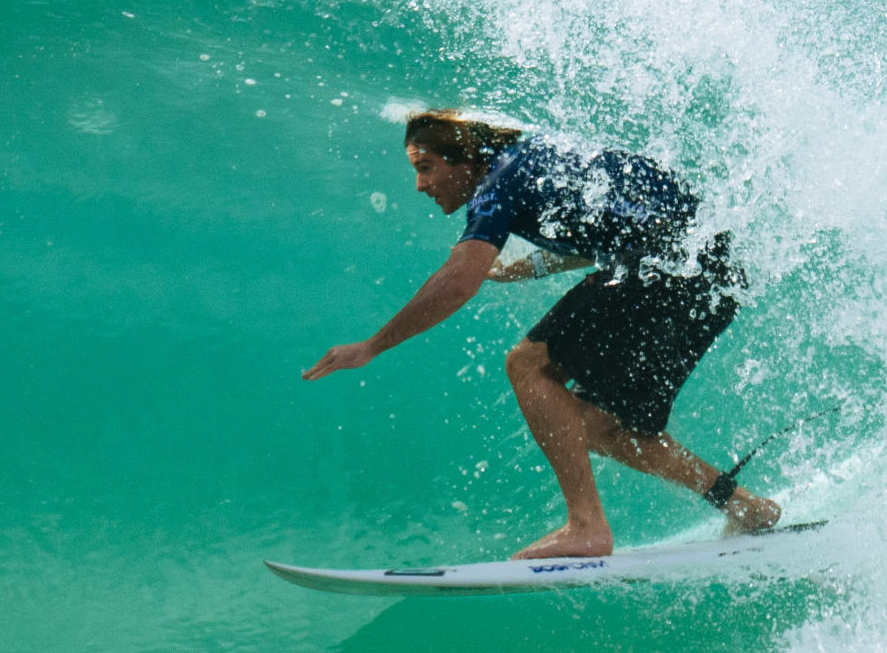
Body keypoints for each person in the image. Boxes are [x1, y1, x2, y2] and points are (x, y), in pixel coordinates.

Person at [303, 110, 779, 560]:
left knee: (528, 364)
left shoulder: (496, 182)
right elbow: (621, 220)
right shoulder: (538, 160)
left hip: (665, 266)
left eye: (426, 167)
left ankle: (587, 526)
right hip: (713, 273)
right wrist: (532, 266)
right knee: (600, 425)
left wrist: (371, 346)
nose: (421, 184)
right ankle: (745, 506)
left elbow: (459, 280)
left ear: (464, 159)